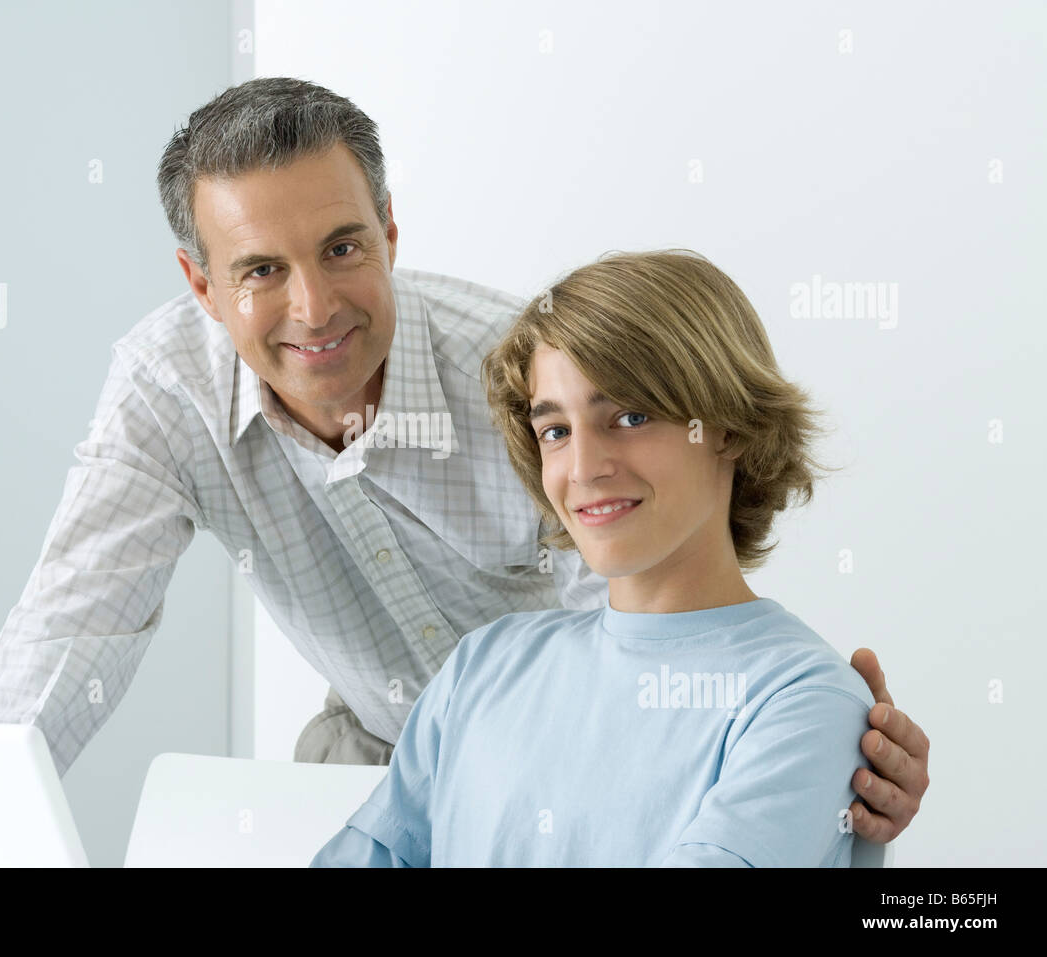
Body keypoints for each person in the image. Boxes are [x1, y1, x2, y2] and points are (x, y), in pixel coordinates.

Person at [0, 78, 928, 846]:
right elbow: (63, 642)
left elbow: (648, 619)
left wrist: (805, 762)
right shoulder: (166, 389)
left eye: (341, 249)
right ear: (199, 285)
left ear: (390, 233)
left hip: (585, 764)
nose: (314, 309)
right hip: (372, 751)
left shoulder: (525, 375)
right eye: (258, 271)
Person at [312, 250, 882, 866]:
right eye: (555, 430)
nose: (583, 468)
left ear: (730, 428)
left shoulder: (804, 700)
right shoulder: (483, 667)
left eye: (630, 417)